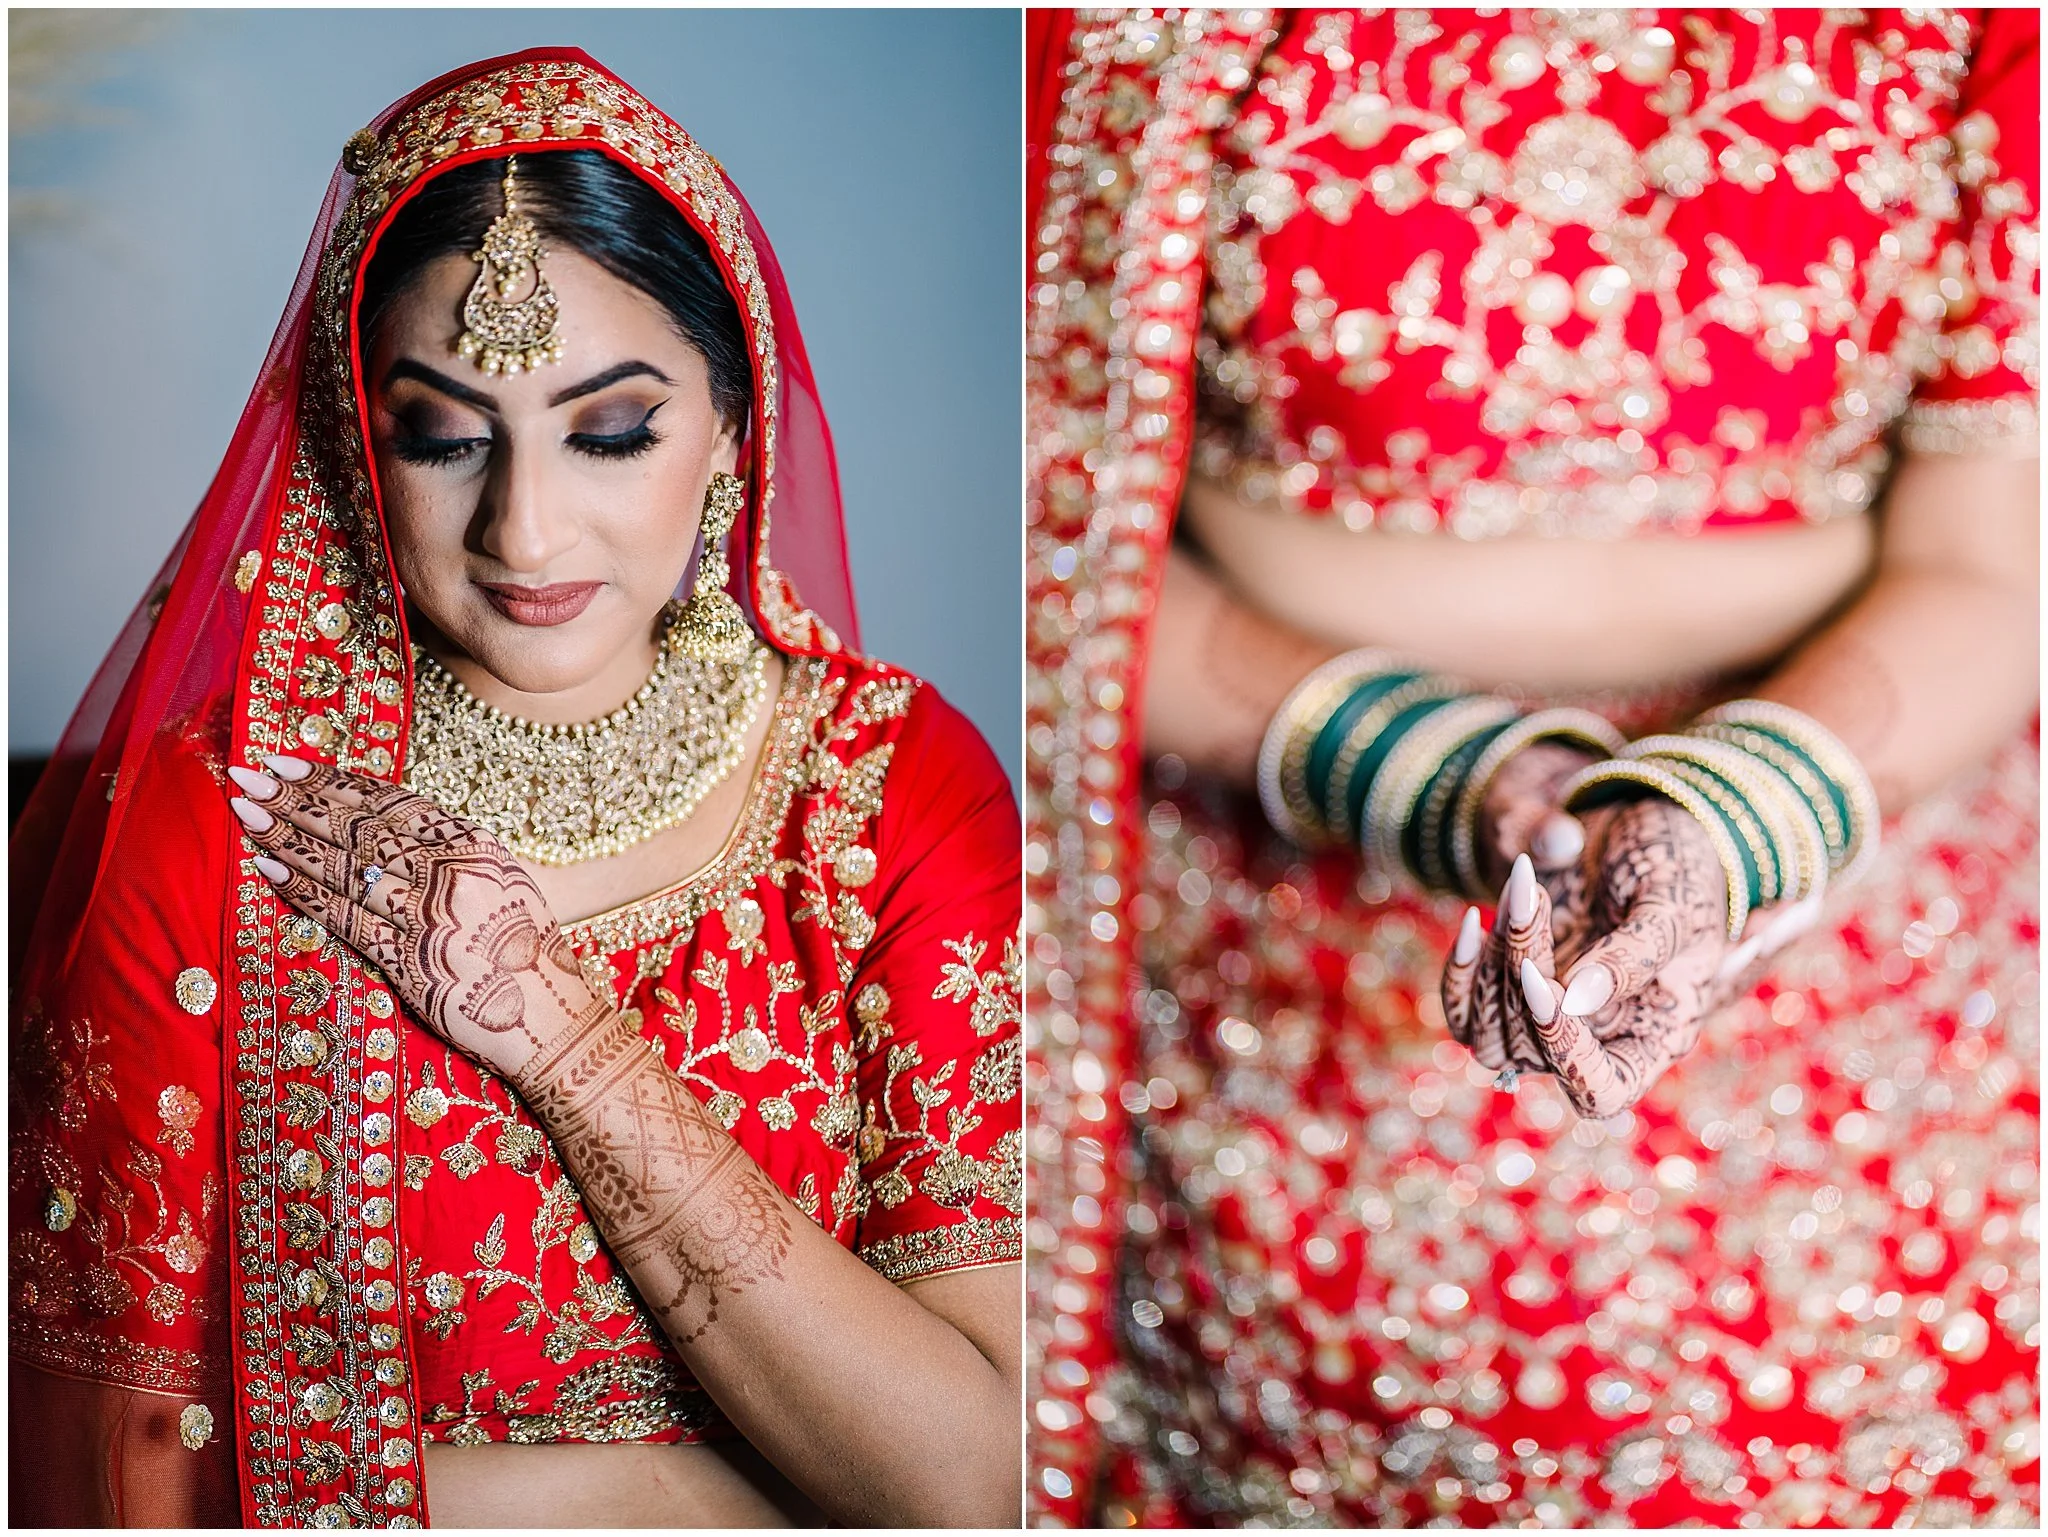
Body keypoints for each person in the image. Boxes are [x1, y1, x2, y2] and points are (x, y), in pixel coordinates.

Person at [1027, 9, 2037, 1527]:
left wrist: (1719, 821)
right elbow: (1053, 521)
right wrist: (1457, 778)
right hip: (1277, 927)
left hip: (1875, 864)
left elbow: (1998, 554)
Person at [11, 49, 1021, 1528]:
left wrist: (547, 1027)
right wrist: (695, 1497)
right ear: (361, 451)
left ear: (734, 430)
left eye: (611, 433)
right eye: (446, 437)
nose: (525, 527)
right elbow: (113, 1486)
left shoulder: (882, 792)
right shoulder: (230, 819)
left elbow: (978, 1481)